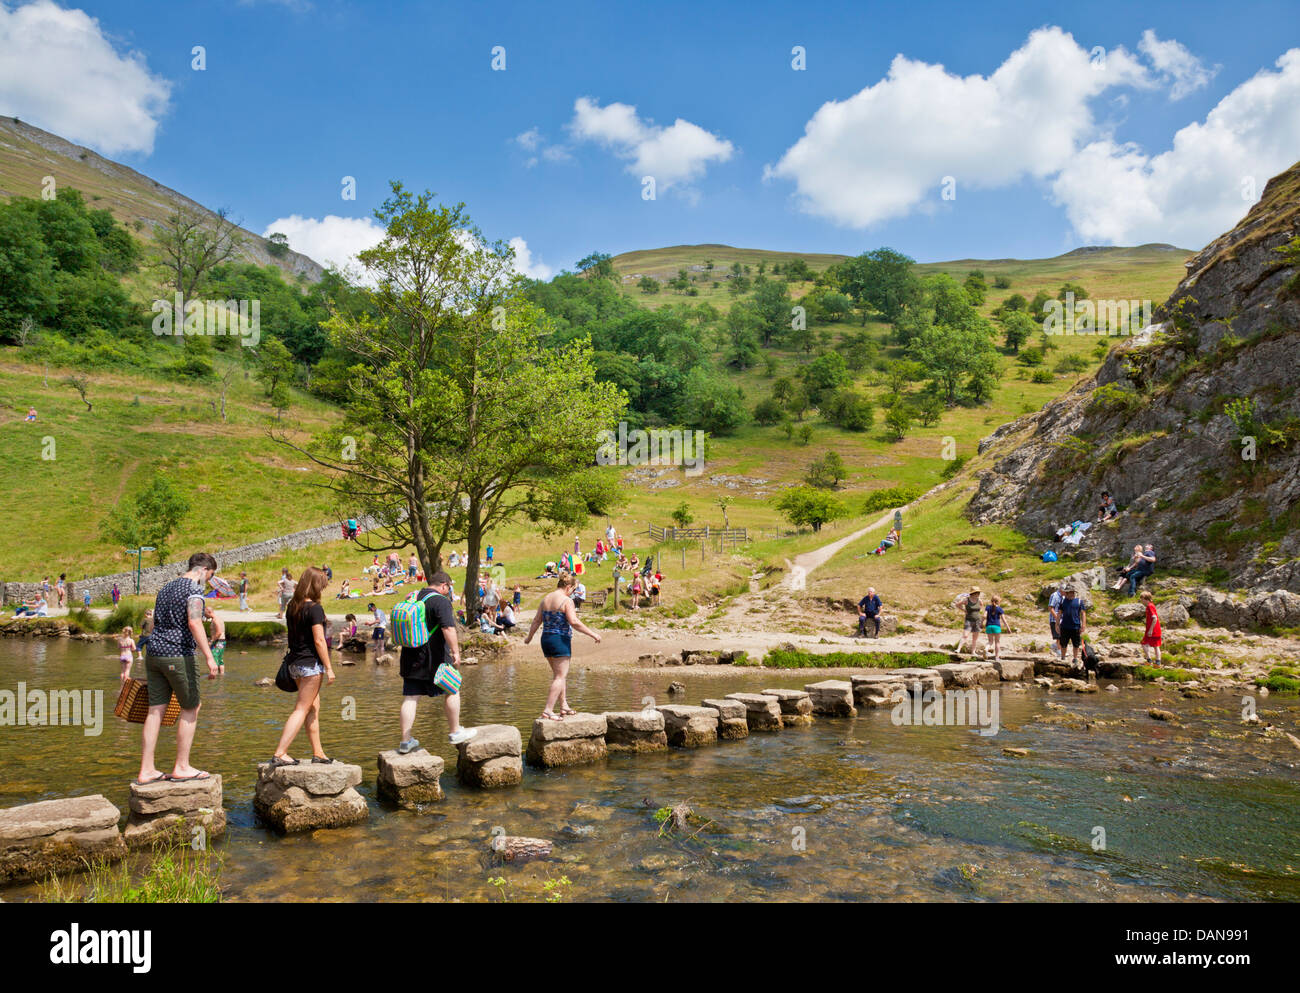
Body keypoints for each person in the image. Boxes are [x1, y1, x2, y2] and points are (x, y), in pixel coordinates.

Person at [136, 552, 220, 785]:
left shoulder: (166, 588)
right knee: (191, 706)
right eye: (210, 576)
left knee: (155, 710)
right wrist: (210, 657)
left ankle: (146, 770)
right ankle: (182, 767)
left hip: (154, 654)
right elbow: (194, 622)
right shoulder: (194, 589)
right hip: (178, 654)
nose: (208, 581)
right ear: (203, 570)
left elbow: (154, 623)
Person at [398, 571, 477, 753]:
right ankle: (455, 731)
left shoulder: (413, 596)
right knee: (452, 688)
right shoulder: (440, 601)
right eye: (449, 587)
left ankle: (405, 741)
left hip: (410, 655)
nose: (449, 590)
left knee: (410, 697)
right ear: (443, 585)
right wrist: (456, 652)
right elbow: (448, 628)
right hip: (434, 657)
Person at [268, 566, 338, 766]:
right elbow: (319, 641)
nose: (323, 590)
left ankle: (319, 753)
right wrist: (329, 667)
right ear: (316, 586)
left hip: (294, 664)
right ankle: (280, 753)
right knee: (301, 708)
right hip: (310, 666)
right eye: (322, 586)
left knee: (313, 707)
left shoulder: (293, 606)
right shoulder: (315, 608)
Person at [523, 574, 602, 721]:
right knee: (560, 676)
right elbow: (574, 621)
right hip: (560, 640)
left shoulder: (545, 599)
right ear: (568, 587)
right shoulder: (567, 601)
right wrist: (593, 634)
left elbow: (536, 620)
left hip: (545, 640)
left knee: (559, 675)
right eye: (573, 589)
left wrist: (529, 637)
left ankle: (564, 705)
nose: (573, 592)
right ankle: (548, 710)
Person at [1057, 586, 1087, 670]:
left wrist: (1083, 625)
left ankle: (1075, 658)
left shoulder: (1078, 601)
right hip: (1064, 626)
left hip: (1076, 626)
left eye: (1073, 592)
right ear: (1066, 593)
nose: (1072, 594)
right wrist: (1057, 624)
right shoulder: (1063, 601)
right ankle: (1063, 657)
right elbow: (1059, 613)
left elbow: (1083, 613)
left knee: (1076, 644)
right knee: (1063, 643)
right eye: (1070, 592)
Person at [956, 587, 983, 655]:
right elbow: (958, 604)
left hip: (977, 620)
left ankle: (973, 652)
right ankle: (958, 649)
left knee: (975, 637)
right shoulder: (966, 600)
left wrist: (978, 612)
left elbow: (981, 605)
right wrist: (964, 610)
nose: (978, 594)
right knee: (965, 635)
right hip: (968, 620)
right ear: (973, 593)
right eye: (977, 593)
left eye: (978, 593)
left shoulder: (979, 600)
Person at [1140, 590, 1163, 665]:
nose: (1141, 601)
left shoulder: (1150, 606)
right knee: (1155, 645)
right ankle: (1156, 662)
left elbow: (1155, 618)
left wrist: (1150, 630)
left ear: (1146, 599)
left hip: (1153, 630)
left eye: (1142, 599)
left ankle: (1150, 661)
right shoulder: (1150, 606)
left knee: (1146, 644)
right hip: (1154, 629)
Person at [204, 604, 227, 675]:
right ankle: (221, 676)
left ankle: (214, 676)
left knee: (214, 659)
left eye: (205, 614)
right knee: (220, 659)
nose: (205, 616)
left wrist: (211, 641)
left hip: (218, 642)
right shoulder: (218, 618)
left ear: (209, 612)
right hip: (222, 642)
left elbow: (219, 632)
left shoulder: (215, 620)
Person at [984, 595, 1008, 663]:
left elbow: (984, 615)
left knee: (990, 641)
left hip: (988, 626)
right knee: (997, 642)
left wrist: (981, 623)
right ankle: (997, 657)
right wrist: (1008, 627)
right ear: (998, 602)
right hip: (997, 626)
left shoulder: (987, 607)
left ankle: (986, 649)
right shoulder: (1000, 609)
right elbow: (1004, 620)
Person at [1047, 583, 1064, 659]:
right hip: (1054, 619)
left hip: (1062, 619)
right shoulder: (1054, 595)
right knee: (1059, 636)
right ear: (1061, 590)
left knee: (1062, 635)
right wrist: (1057, 618)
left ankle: (1056, 647)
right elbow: (1050, 608)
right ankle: (1059, 651)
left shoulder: (1063, 597)